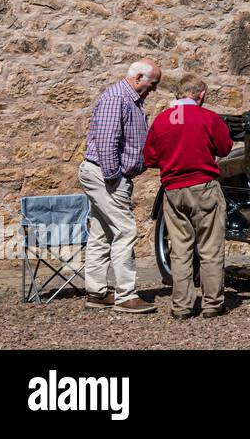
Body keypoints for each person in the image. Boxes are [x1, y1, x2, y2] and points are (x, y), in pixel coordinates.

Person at [142, 73, 233, 319]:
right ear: (200, 94)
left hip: (172, 189)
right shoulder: (207, 117)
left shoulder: (161, 120)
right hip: (203, 187)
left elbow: (149, 158)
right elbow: (225, 147)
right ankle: (212, 303)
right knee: (210, 247)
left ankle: (181, 306)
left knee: (180, 250)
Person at [80, 58, 162, 313]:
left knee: (101, 233)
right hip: (106, 176)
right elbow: (106, 141)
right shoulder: (117, 98)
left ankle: (96, 292)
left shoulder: (130, 99)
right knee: (126, 231)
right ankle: (126, 295)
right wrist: (114, 176)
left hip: (106, 175)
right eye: (153, 83)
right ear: (138, 78)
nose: (155, 89)